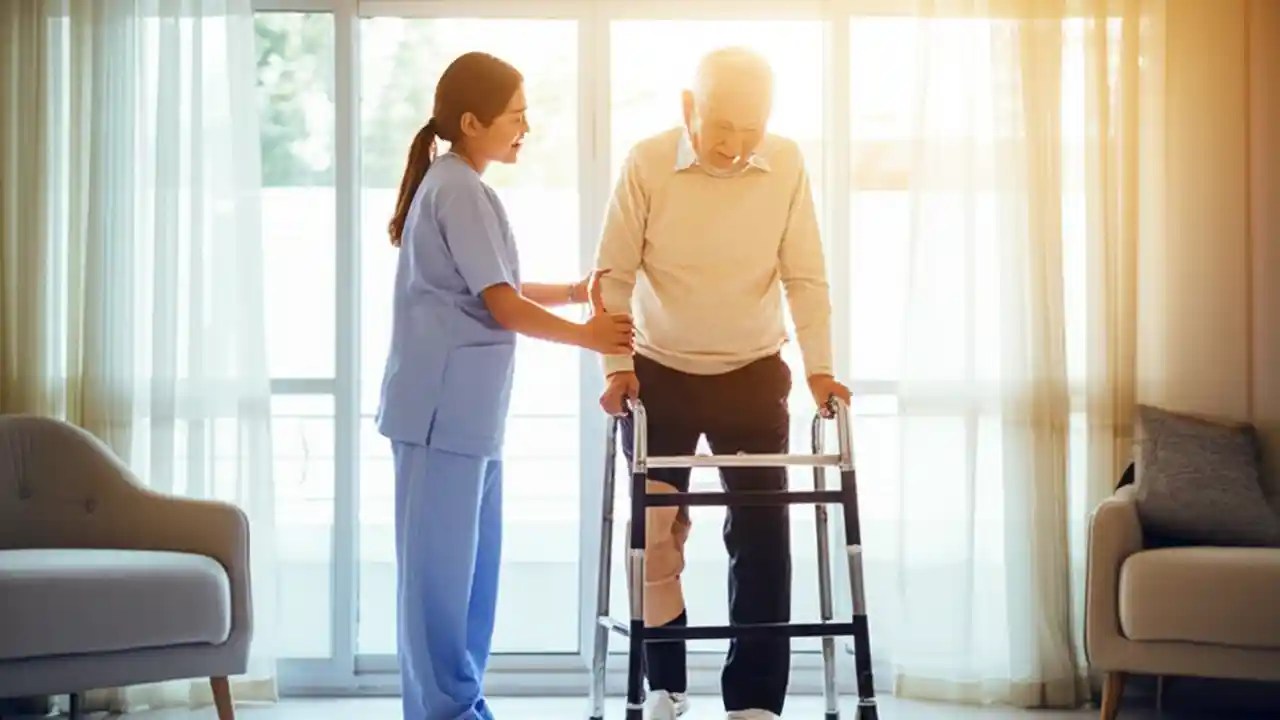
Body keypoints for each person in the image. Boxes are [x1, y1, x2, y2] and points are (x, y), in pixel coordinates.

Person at [593, 47, 852, 720]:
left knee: (762, 536)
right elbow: (613, 274)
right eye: (722, 127)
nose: (736, 146)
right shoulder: (648, 161)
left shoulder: (787, 163)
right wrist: (615, 368)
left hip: (752, 373)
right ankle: (665, 685)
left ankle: (755, 702)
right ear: (688, 108)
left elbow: (805, 274)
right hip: (659, 375)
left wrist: (821, 368)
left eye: (752, 128)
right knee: (656, 539)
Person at [375, 51, 632, 720]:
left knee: (468, 584)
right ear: (471, 121)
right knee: (439, 586)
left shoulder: (461, 184)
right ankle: (448, 712)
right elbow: (502, 306)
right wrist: (591, 337)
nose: (527, 127)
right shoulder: (456, 187)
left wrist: (577, 293)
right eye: (516, 116)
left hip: (464, 416)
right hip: (440, 416)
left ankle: (459, 706)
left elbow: (496, 286)